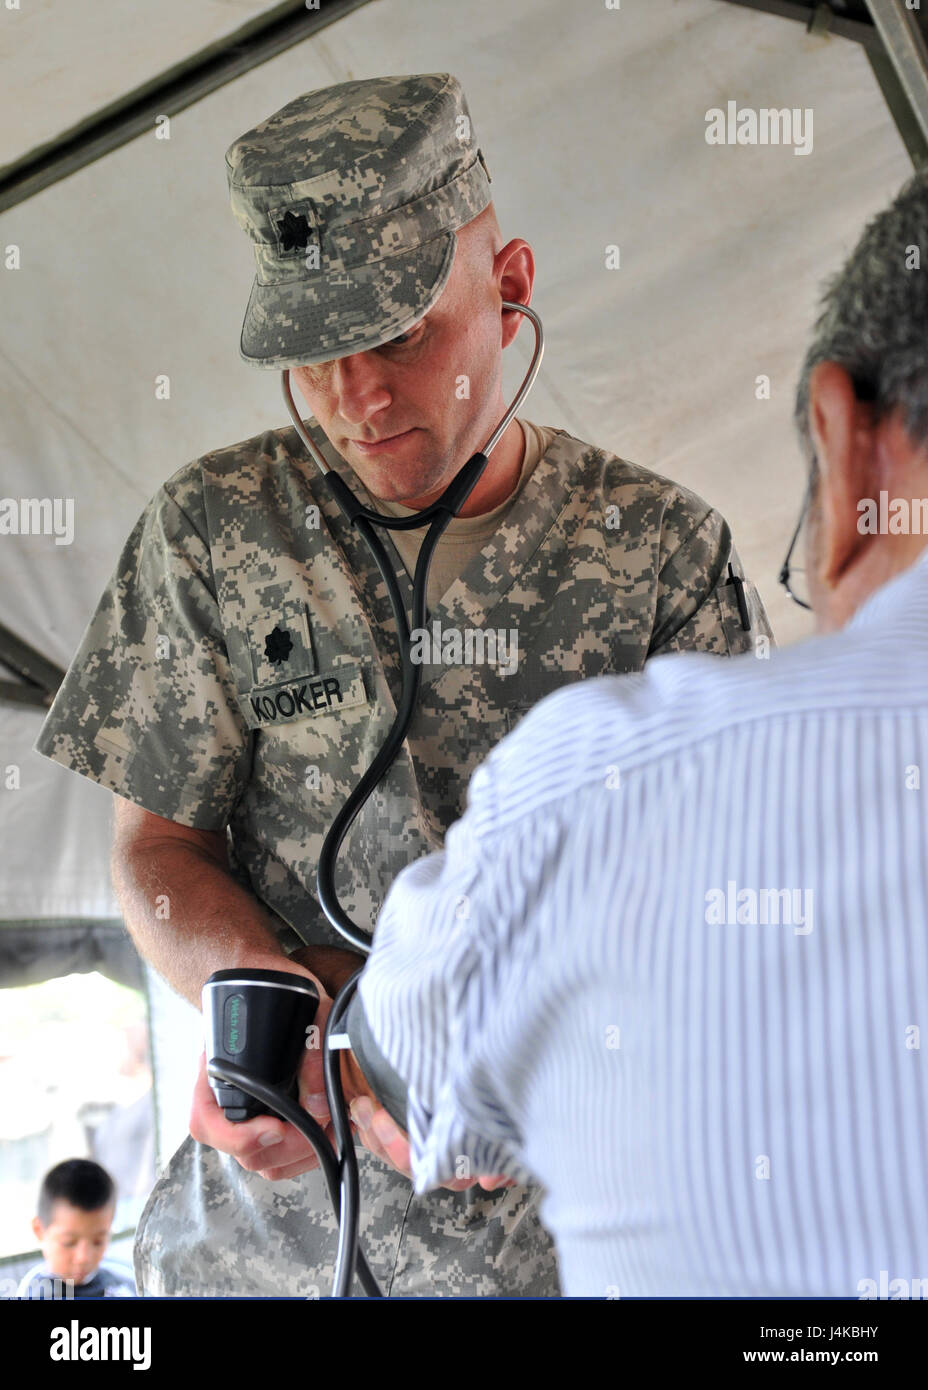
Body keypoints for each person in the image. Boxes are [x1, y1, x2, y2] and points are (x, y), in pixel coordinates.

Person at [35, 73, 771, 1297]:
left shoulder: (660, 551)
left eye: (399, 334)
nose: (358, 398)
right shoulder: (215, 532)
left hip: (562, 1241)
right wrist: (265, 1002)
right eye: (317, 355)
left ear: (511, 288)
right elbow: (157, 848)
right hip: (253, 1251)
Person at [352, 168, 928, 1296]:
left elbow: (401, 1064)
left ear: (842, 436)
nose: (360, 392)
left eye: (407, 329)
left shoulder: (595, 784)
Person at [17, 1159, 136, 1299]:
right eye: (69, 1242)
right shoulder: (35, 1291)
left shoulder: (122, 1280)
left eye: (98, 1241)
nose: (83, 1258)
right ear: (39, 1230)